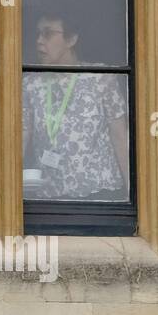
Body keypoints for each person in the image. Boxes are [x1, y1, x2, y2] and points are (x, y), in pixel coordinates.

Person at [22, 12, 129, 200]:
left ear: (71, 39)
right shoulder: (31, 84)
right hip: (49, 196)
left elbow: (120, 136)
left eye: (47, 34)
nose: (39, 40)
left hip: (99, 192)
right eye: (38, 33)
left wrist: (132, 194)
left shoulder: (100, 78)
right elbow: (20, 138)